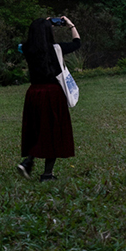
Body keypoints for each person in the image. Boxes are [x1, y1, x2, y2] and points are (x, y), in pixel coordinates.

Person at [17, 14, 79, 180]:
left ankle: (29, 161)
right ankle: (47, 173)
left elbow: (24, 44)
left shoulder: (26, 49)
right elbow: (77, 43)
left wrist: (42, 22)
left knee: (37, 128)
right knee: (53, 131)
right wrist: (70, 25)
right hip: (53, 93)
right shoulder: (56, 49)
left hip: (34, 93)